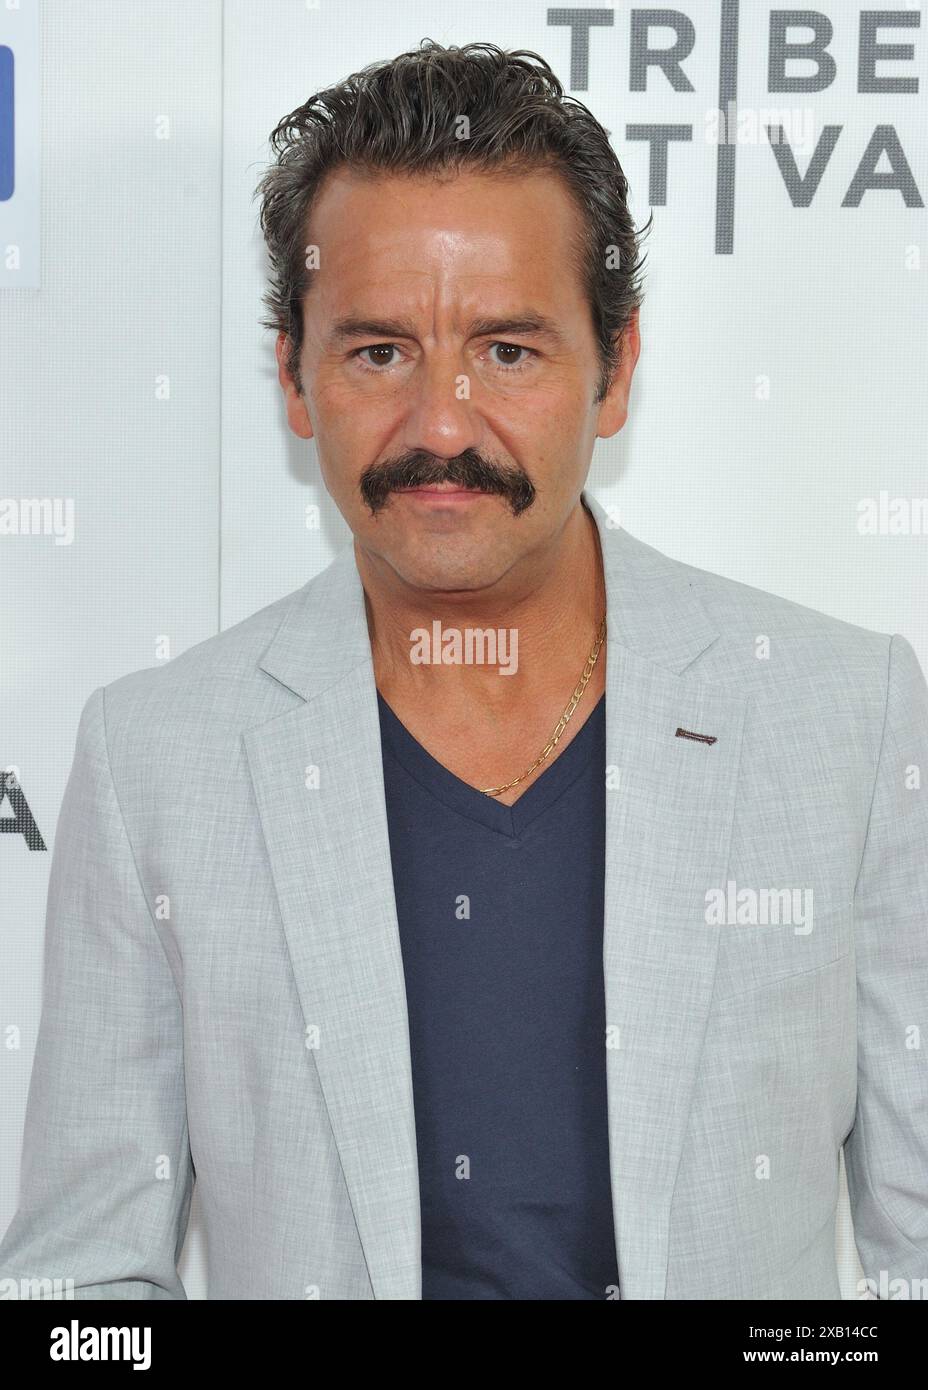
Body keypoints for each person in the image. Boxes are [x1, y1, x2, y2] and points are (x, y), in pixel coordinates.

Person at [1, 40, 926, 1301]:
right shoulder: (154, 760)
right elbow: (74, 1297)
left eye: (508, 350)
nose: (441, 424)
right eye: (379, 351)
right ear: (292, 377)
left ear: (615, 370)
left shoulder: (847, 721)